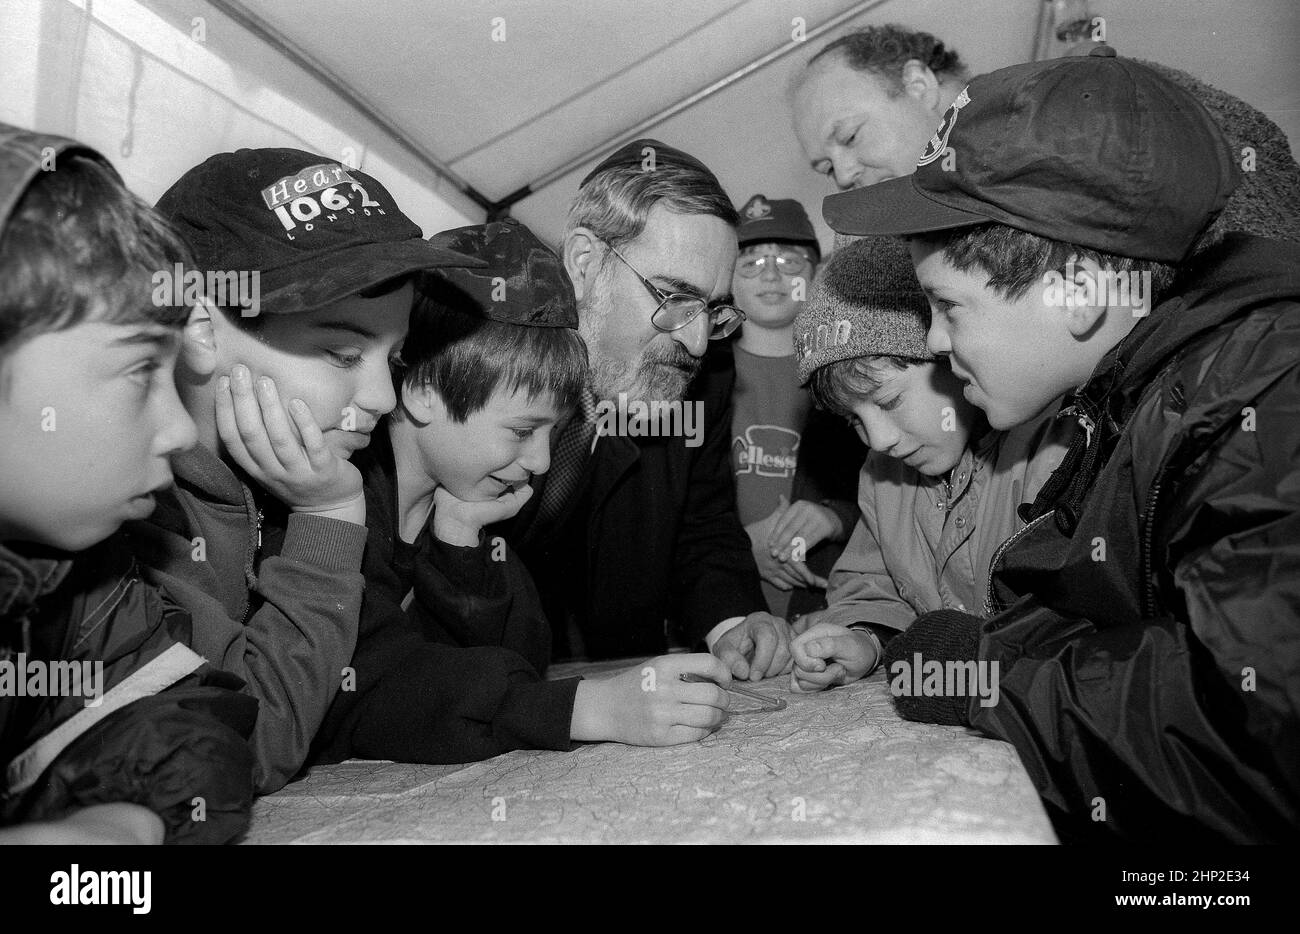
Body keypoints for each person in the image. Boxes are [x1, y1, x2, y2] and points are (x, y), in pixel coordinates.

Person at [824, 46, 1300, 841]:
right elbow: (1099, 610)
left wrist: (984, 676)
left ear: (1077, 293)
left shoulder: (1264, 388)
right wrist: (980, 647)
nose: (935, 341)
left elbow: (1250, 729)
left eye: (948, 305)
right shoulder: (1139, 399)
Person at [311, 220, 732, 765]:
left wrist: (462, 543)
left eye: (550, 432)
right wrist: (587, 708)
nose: (540, 461)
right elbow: (369, 690)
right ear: (422, 392)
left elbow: (517, 657)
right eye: (521, 430)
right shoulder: (336, 498)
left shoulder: (472, 501)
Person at [124, 147, 477, 792]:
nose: (383, 397)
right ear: (200, 329)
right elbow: (238, 742)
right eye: (342, 353)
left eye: (392, 357)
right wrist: (329, 521)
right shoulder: (126, 517)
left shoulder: (265, 481)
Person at [0, 124, 257, 843]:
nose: (180, 432)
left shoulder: (78, 585)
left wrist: (116, 825)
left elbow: (178, 710)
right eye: (142, 371)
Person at [501, 139, 790, 681]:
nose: (699, 342)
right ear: (585, 263)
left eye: (714, 309)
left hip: (624, 669)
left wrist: (732, 626)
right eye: (674, 298)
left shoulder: (706, 376)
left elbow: (703, 523)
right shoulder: (483, 354)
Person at [786, 236, 1065, 692]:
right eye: (853, 419)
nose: (879, 439)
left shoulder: (1045, 453)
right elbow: (871, 583)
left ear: (949, 358)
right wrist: (865, 637)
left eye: (890, 400)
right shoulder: (884, 477)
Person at [722, 193, 862, 619]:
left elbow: (887, 487)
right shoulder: (700, 378)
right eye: (751, 263)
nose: (770, 276)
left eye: (789, 262)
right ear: (727, 278)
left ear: (817, 275)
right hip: (726, 605)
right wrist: (739, 548)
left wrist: (834, 517)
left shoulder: (847, 373)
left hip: (824, 605)